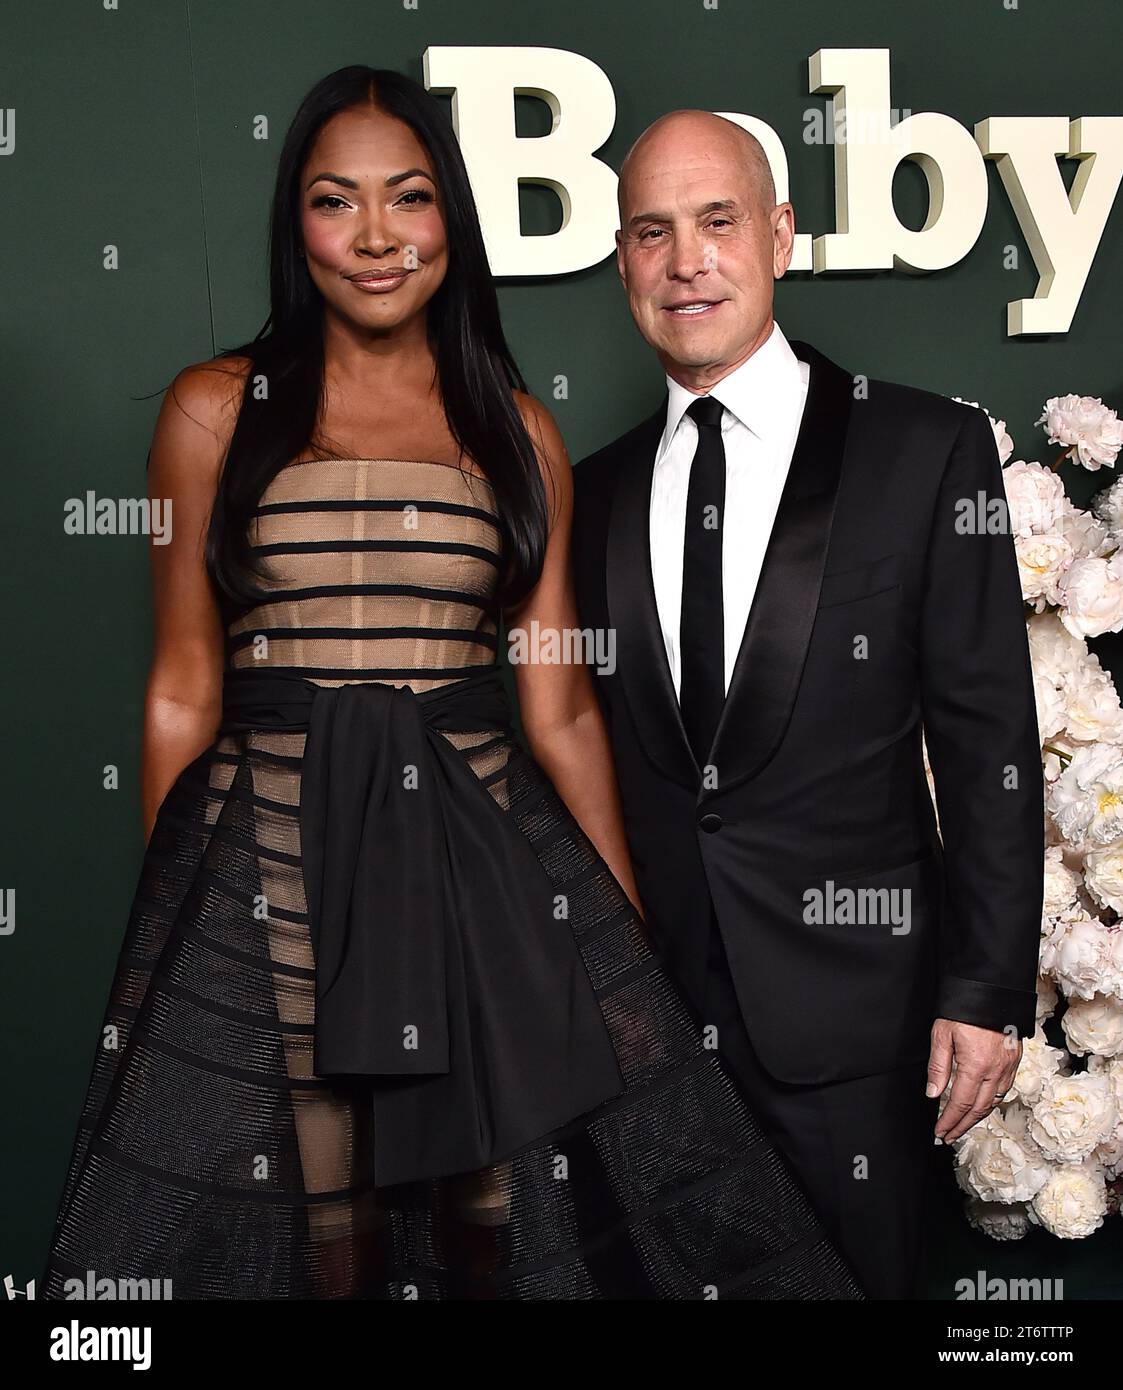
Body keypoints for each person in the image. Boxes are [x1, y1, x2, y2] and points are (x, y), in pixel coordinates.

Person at [40, 69, 862, 1300]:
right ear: (296, 222)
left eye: (409, 197)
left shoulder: (516, 431)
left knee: (493, 1217)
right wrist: (177, 944)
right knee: (323, 1234)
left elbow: (559, 704)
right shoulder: (213, 412)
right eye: (336, 201)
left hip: (478, 877)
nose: (376, 236)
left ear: (450, 219)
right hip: (277, 880)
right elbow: (179, 688)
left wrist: (619, 948)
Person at [570, 110, 1045, 1299]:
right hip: (652, 1037)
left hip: (860, 1033)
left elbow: (986, 734)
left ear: (779, 235)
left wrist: (985, 994)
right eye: (651, 232)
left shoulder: (922, 449)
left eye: (717, 222)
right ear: (623, 260)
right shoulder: (589, 493)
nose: (687, 261)